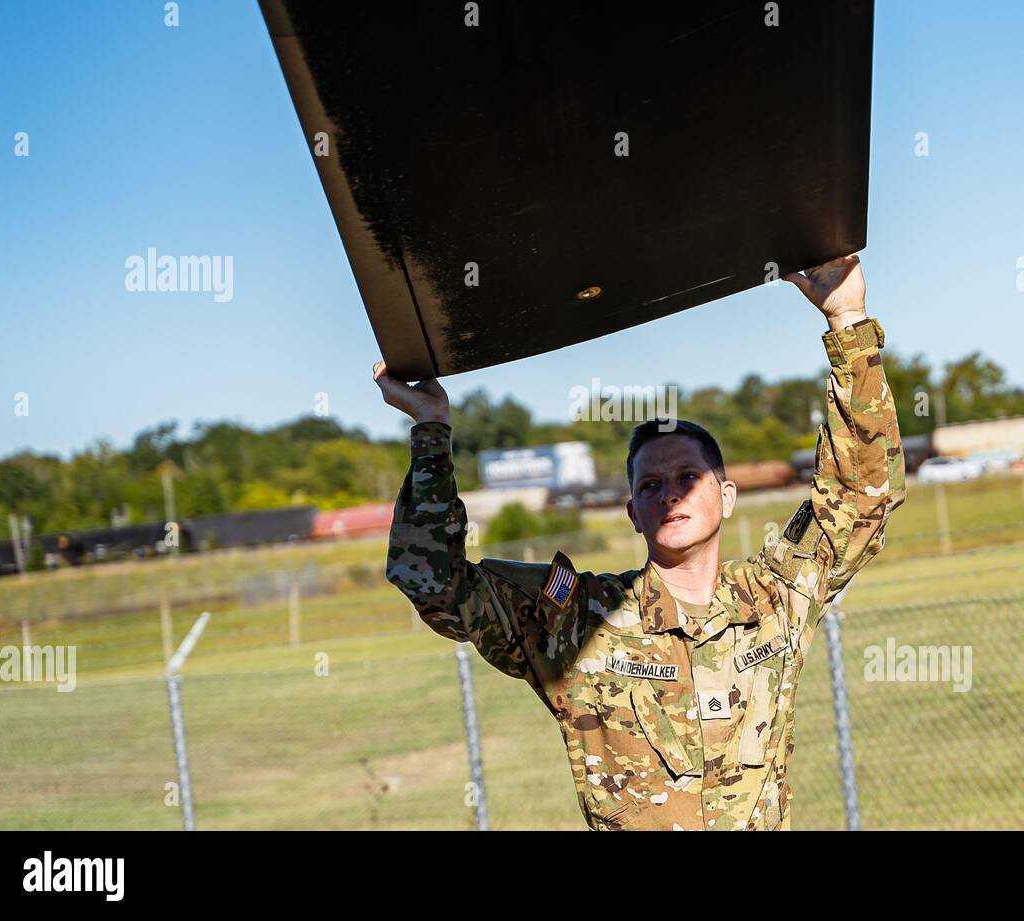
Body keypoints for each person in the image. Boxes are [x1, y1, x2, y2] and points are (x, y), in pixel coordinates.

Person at [373, 252, 904, 830]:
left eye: (688, 478)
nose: (670, 495)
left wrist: (847, 321)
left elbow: (862, 497)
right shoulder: (577, 619)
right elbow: (436, 585)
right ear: (633, 511)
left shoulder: (776, 597)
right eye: (651, 484)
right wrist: (431, 427)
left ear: (726, 497)